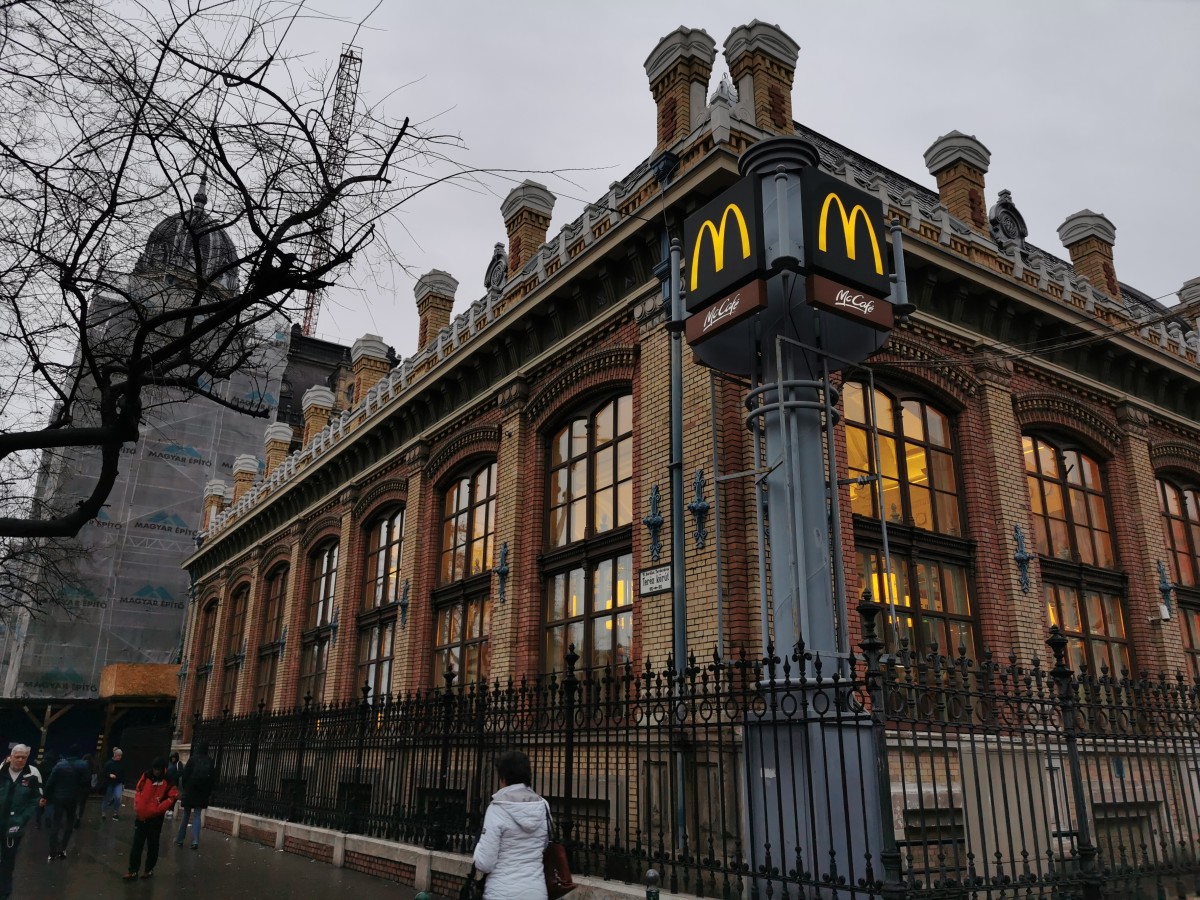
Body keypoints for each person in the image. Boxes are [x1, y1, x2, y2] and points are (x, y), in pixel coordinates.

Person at [472, 750, 550, 900]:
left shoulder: (497, 808)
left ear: (503, 778)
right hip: (537, 892)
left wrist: (478, 847)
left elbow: (485, 863)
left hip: (501, 892)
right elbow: (544, 845)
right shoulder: (543, 806)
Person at [123, 757, 177, 881]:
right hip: (141, 816)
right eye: (154, 769)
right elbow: (138, 789)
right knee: (137, 845)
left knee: (153, 846)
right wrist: (138, 804)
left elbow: (172, 797)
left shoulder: (168, 780)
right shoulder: (147, 775)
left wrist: (158, 808)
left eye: (158, 770)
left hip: (155, 819)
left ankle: (148, 869)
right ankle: (133, 871)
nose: (156, 772)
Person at [1, 744, 43, 900]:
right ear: (11, 756)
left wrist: (23, 818)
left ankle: (4, 892)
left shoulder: (31, 775)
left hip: (14, 827)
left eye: (23, 757)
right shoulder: (1, 771)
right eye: (17, 756)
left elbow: (35, 799)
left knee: (8, 861)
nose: (19, 760)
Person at [41, 746, 89, 860]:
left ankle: (52, 852)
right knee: (69, 823)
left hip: (58, 797)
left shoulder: (59, 765)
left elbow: (50, 782)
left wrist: (45, 796)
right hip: (73, 798)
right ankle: (62, 849)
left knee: (56, 823)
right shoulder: (83, 765)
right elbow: (86, 782)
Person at [174, 742, 215, 850]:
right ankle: (195, 841)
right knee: (197, 815)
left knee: (186, 815)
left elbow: (185, 775)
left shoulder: (192, 759)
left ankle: (179, 839)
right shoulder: (210, 761)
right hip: (202, 793)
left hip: (190, 790)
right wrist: (208, 793)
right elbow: (212, 779)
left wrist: (185, 788)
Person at [100, 747, 126, 820]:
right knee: (107, 797)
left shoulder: (121, 764)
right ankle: (103, 813)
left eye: (120, 756)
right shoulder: (109, 764)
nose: (120, 757)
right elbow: (104, 772)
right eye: (118, 755)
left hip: (118, 783)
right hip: (109, 783)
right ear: (115, 755)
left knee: (118, 797)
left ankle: (115, 812)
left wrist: (123, 783)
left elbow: (123, 774)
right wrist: (109, 775)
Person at [163, 752, 182, 820]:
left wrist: (174, 777)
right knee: (167, 796)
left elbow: (180, 772)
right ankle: (167, 809)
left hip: (174, 783)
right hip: (168, 783)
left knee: (173, 796)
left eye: (174, 758)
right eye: (172, 758)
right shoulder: (169, 764)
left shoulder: (178, 763)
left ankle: (171, 810)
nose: (173, 759)